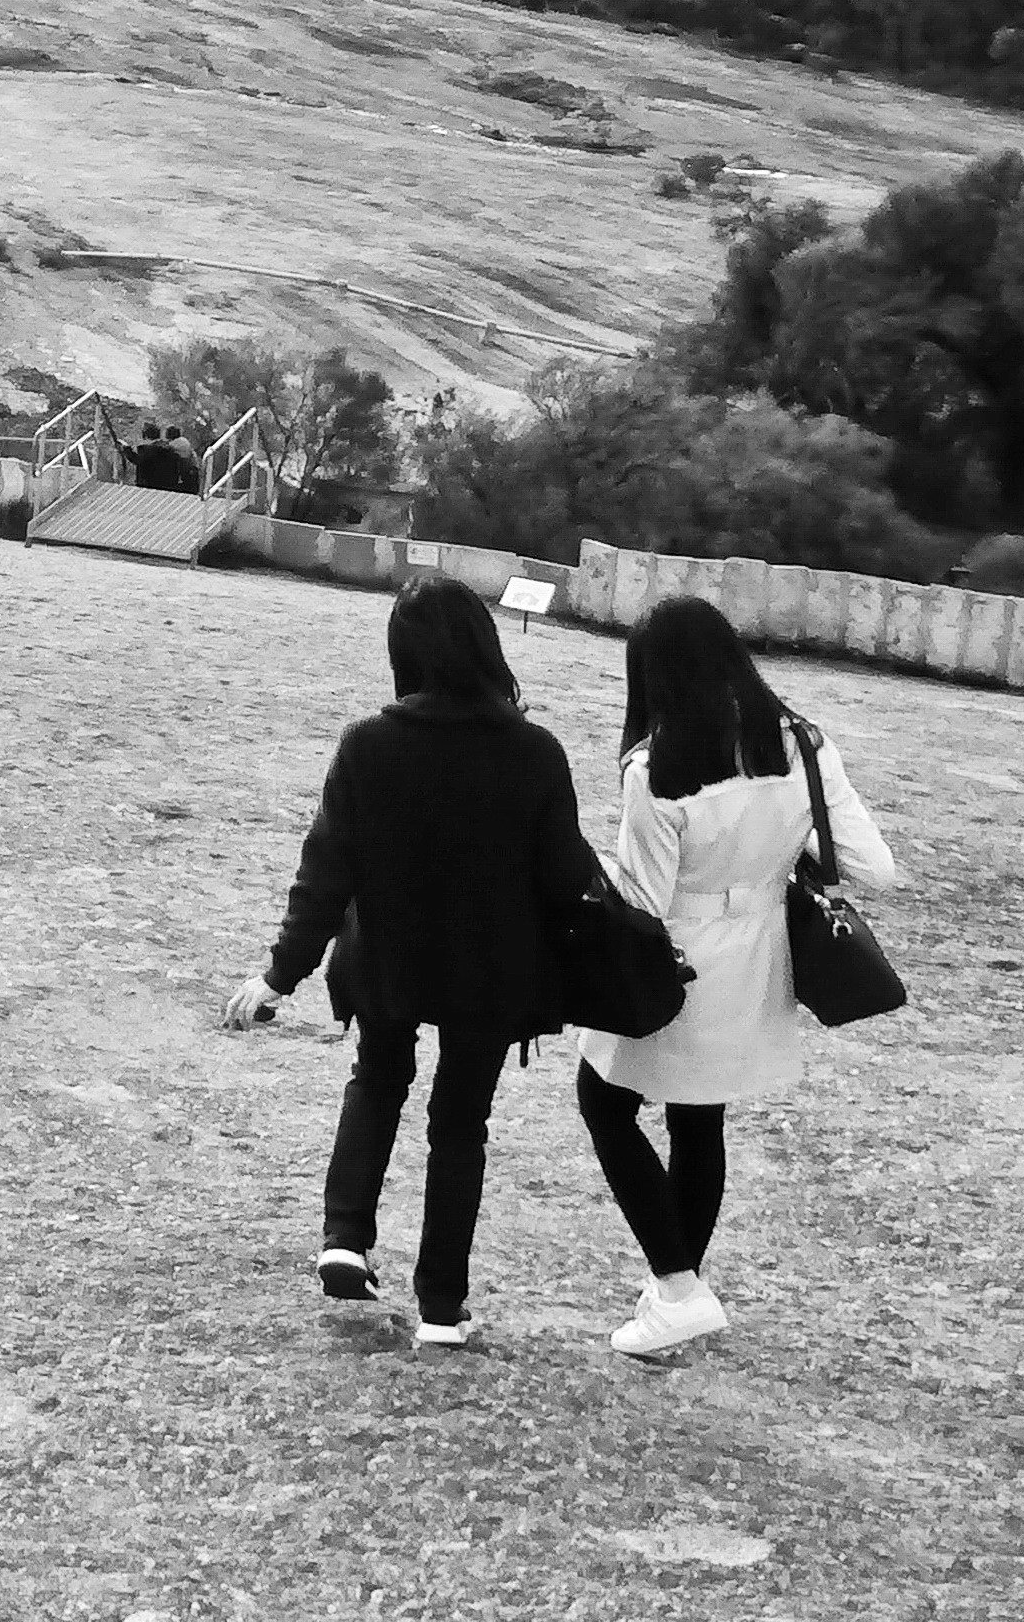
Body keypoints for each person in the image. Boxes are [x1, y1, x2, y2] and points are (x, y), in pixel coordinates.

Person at [219, 578, 596, 1347]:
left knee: (378, 1078)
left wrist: (279, 974)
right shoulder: (535, 753)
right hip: (489, 970)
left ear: (403, 655)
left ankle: (345, 1236)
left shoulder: (367, 744)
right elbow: (567, 880)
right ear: (486, 647)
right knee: (460, 1125)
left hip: (387, 958)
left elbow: (325, 875)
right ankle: (441, 1309)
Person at [576, 595, 902, 1362]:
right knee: (700, 1120)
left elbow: (644, 901)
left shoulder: (656, 769)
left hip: (680, 955)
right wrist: (781, 852)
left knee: (605, 1102)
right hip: (758, 949)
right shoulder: (804, 744)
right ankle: (675, 1290)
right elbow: (875, 868)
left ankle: (677, 1288)